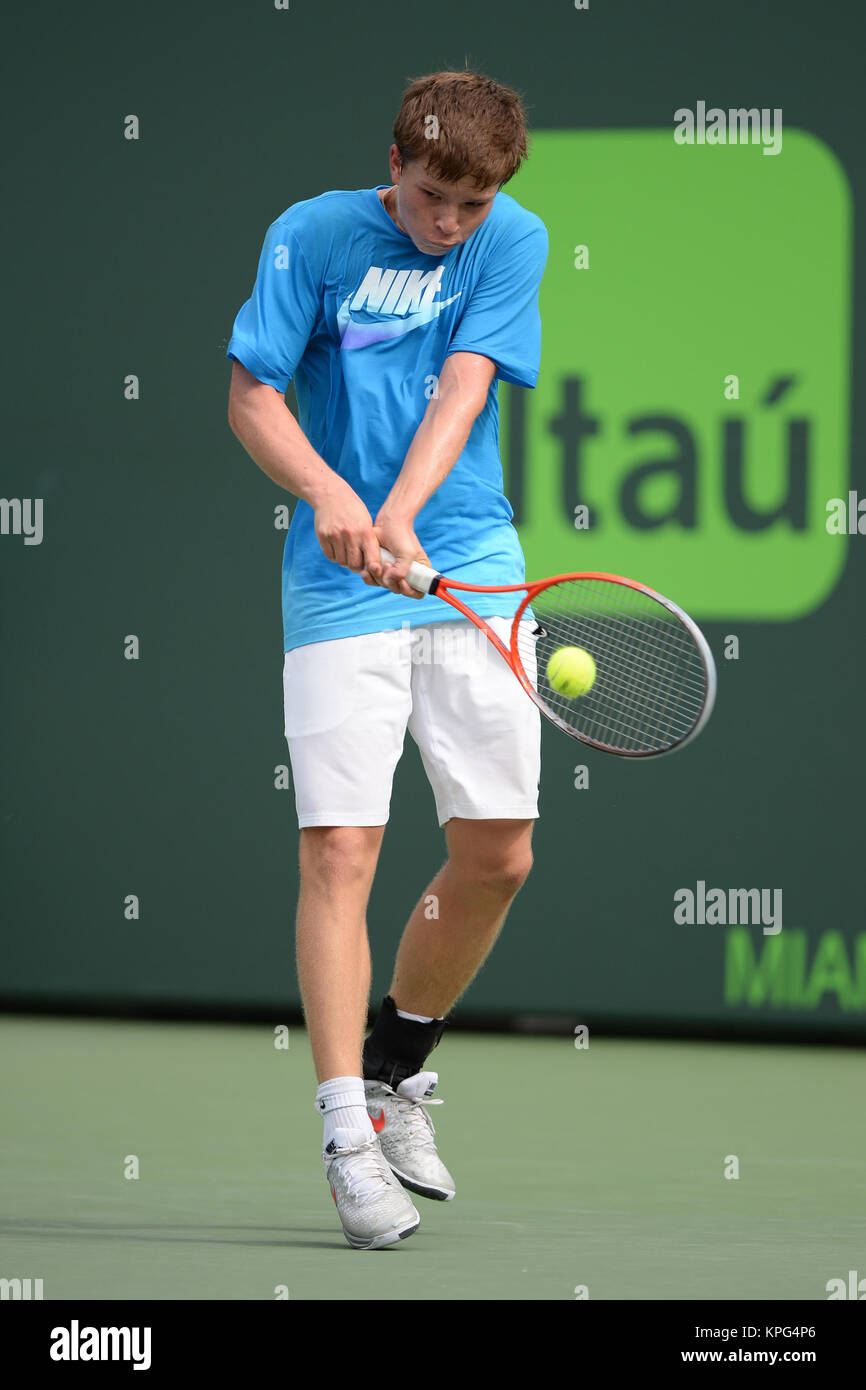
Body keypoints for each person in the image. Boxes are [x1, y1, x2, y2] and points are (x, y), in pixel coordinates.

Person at [226, 69, 548, 1249]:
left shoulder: (511, 237)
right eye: (428, 199)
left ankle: (393, 1068)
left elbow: (463, 387)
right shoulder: (310, 236)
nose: (448, 225)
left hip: (466, 558)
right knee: (340, 852)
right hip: (335, 591)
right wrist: (327, 493)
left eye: (470, 206)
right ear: (396, 163)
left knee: (499, 853)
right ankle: (344, 1143)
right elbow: (252, 392)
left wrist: (400, 514)